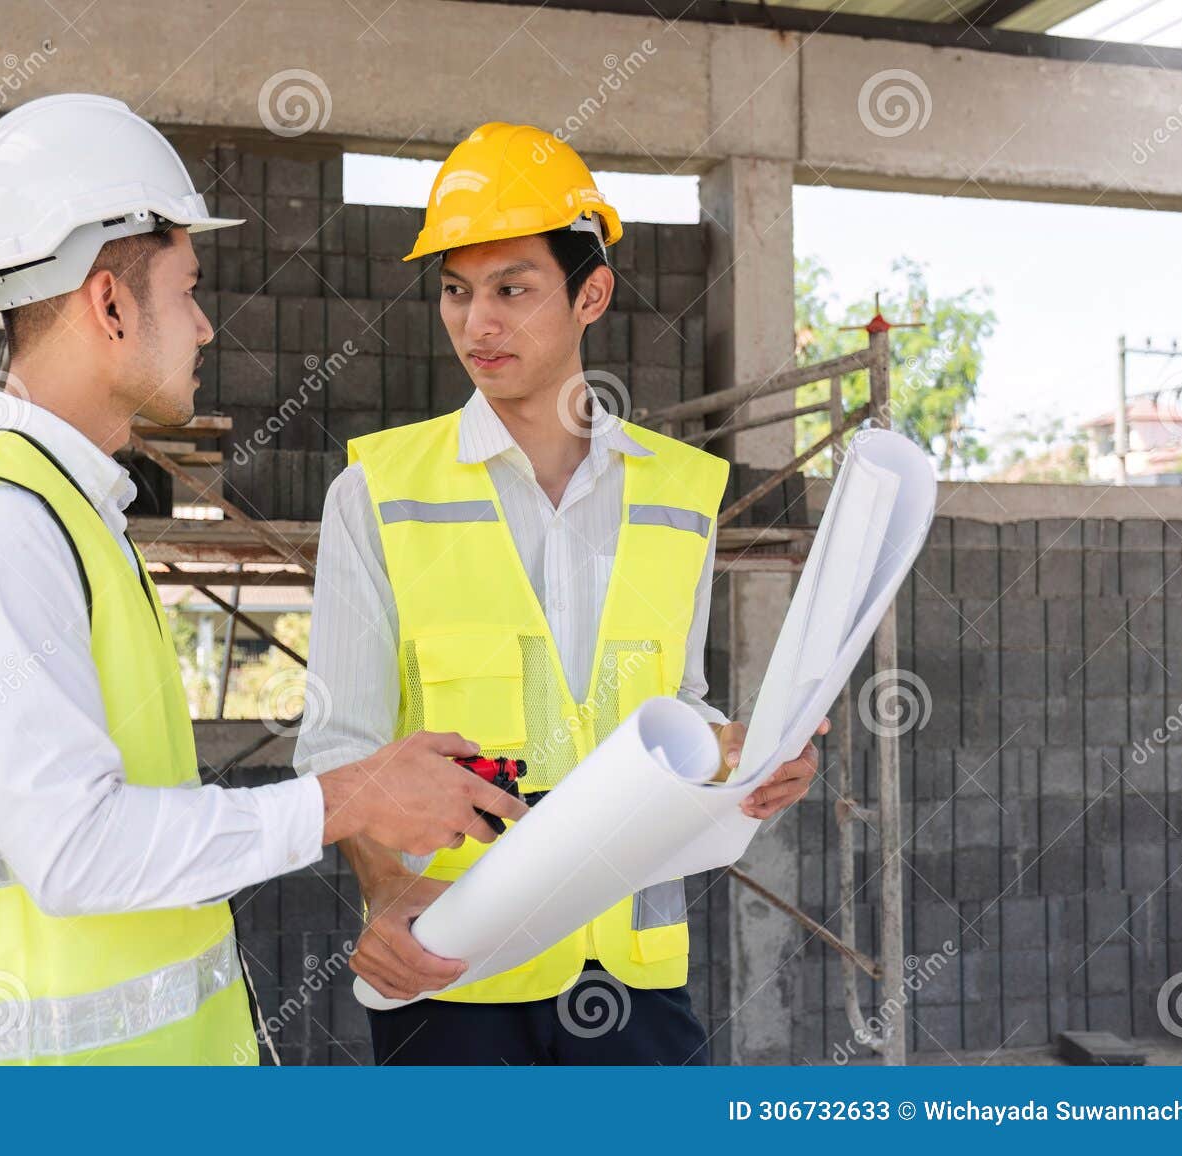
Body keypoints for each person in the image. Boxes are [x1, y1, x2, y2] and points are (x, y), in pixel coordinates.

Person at [0, 94, 525, 1066]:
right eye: (186, 290)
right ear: (107, 303)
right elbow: (76, 851)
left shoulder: (66, 517)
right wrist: (348, 798)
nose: (206, 327)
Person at [293, 122, 824, 1065]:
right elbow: (340, 747)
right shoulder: (375, 493)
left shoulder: (678, 495)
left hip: (630, 970)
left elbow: (675, 705)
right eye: (455, 291)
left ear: (592, 293)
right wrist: (382, 889)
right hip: (450, 960)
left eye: (512, 289)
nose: (476, 324)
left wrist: (748, 760)